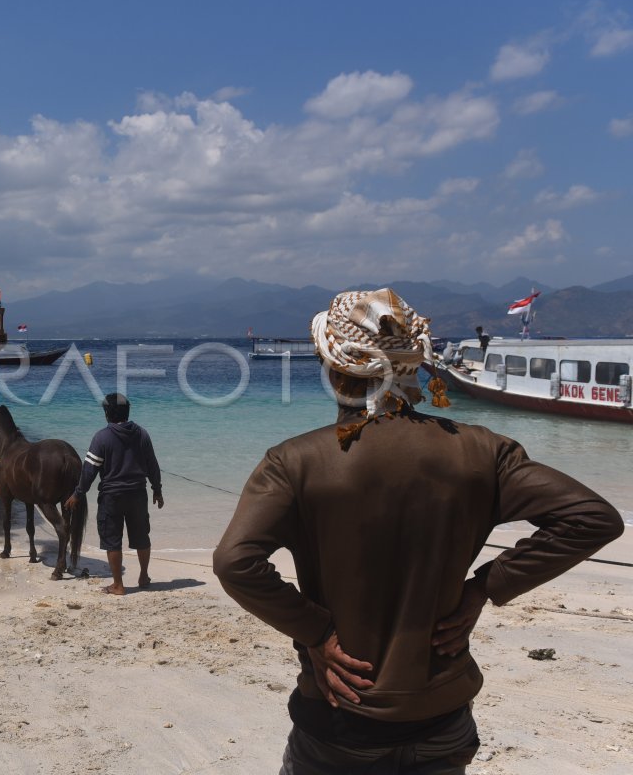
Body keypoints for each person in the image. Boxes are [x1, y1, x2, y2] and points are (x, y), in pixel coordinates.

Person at [212, 288, 623, 774]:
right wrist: (486, 587)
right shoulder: (482, 450)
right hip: (442, 720)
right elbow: (592, 518)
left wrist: (317, 631)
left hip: (342, 720)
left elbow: (235, 562)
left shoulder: (295, 461)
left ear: (336, 371)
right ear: (412, 369)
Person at [66, 392, 163, 595]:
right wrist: (157, 489)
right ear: (127, 412)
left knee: (112, 540)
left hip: (112, 497)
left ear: (107, 414)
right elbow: (153, 465)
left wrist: (77, 494)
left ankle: (118, 585)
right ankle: (144, 576)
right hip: (138, 494)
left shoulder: (102, 437)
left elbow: (89, 470)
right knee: (142, 536)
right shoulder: (142, 434)